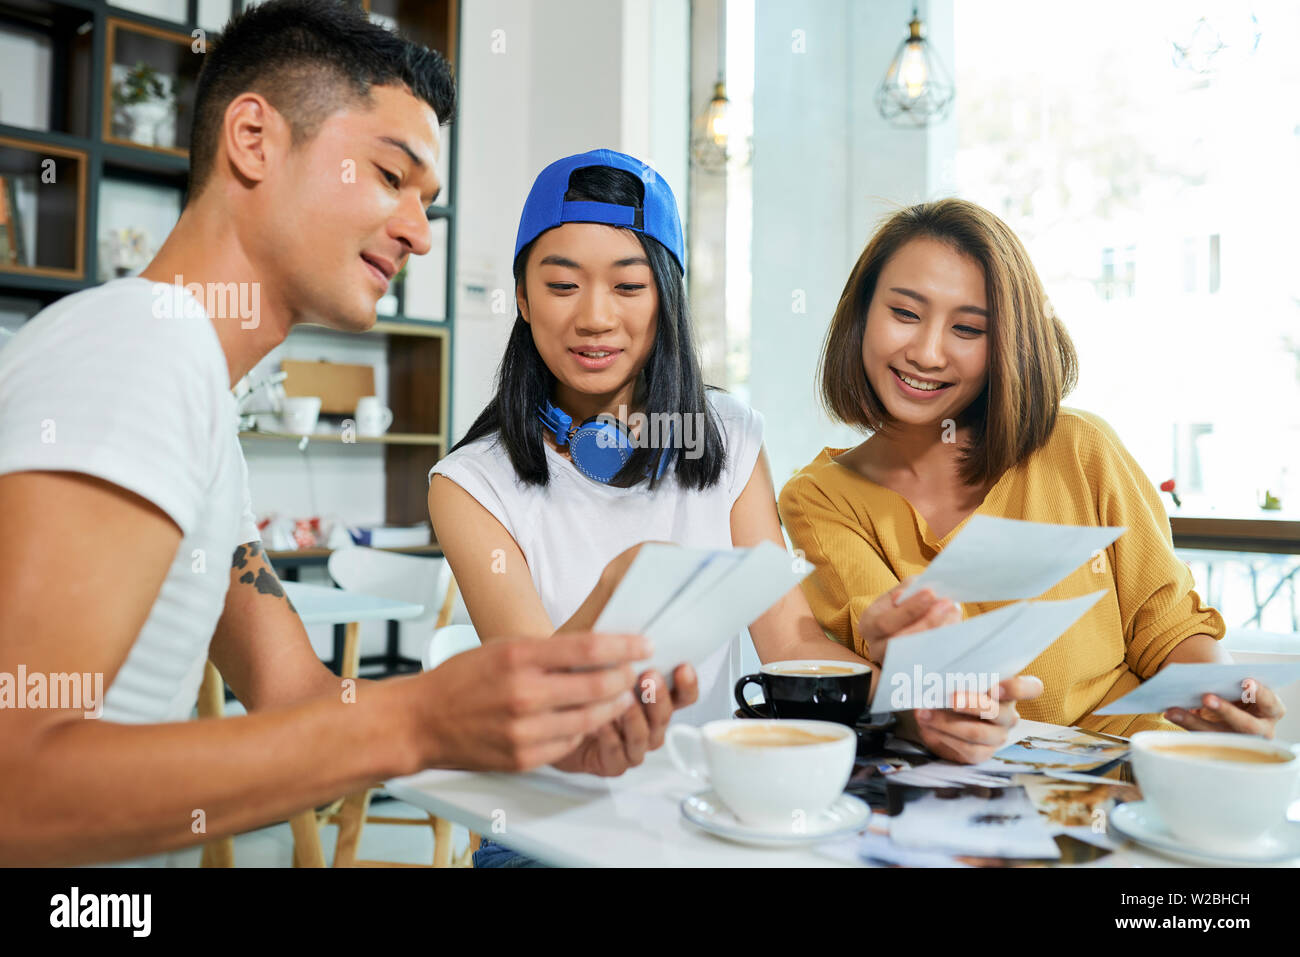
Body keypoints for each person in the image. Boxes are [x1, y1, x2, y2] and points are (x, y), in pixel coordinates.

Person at [0, 0, 670, 868]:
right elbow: (16, 784)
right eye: (392, 177)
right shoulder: (138, 348)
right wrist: (417, 717)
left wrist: (523, 736)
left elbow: (295, 697)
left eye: (428, 202)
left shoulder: (191, 388)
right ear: (254, 138)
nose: (419, 235)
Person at [427, 151, 1029, 862]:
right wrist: (619, 594)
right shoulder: (469, 484)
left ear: (667, 300)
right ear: (524, 301)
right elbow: (531, 701)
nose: (594, 317)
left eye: (629, 285)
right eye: (561, 284)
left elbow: (793, 644)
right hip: (542, 824)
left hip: (702, 810)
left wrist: (919, 700)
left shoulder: (729, 437)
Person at [778, 198, 1285, 759]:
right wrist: (918, 694)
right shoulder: (821, 497)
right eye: (904, 313)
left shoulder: (1080, 447)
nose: (926, 352)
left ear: (1006, 347)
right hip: (966, 798)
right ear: (861, 315)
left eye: (968, 328)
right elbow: (890, 663)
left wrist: (1220, 701)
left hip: (1140, 781)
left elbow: (1166, 626)